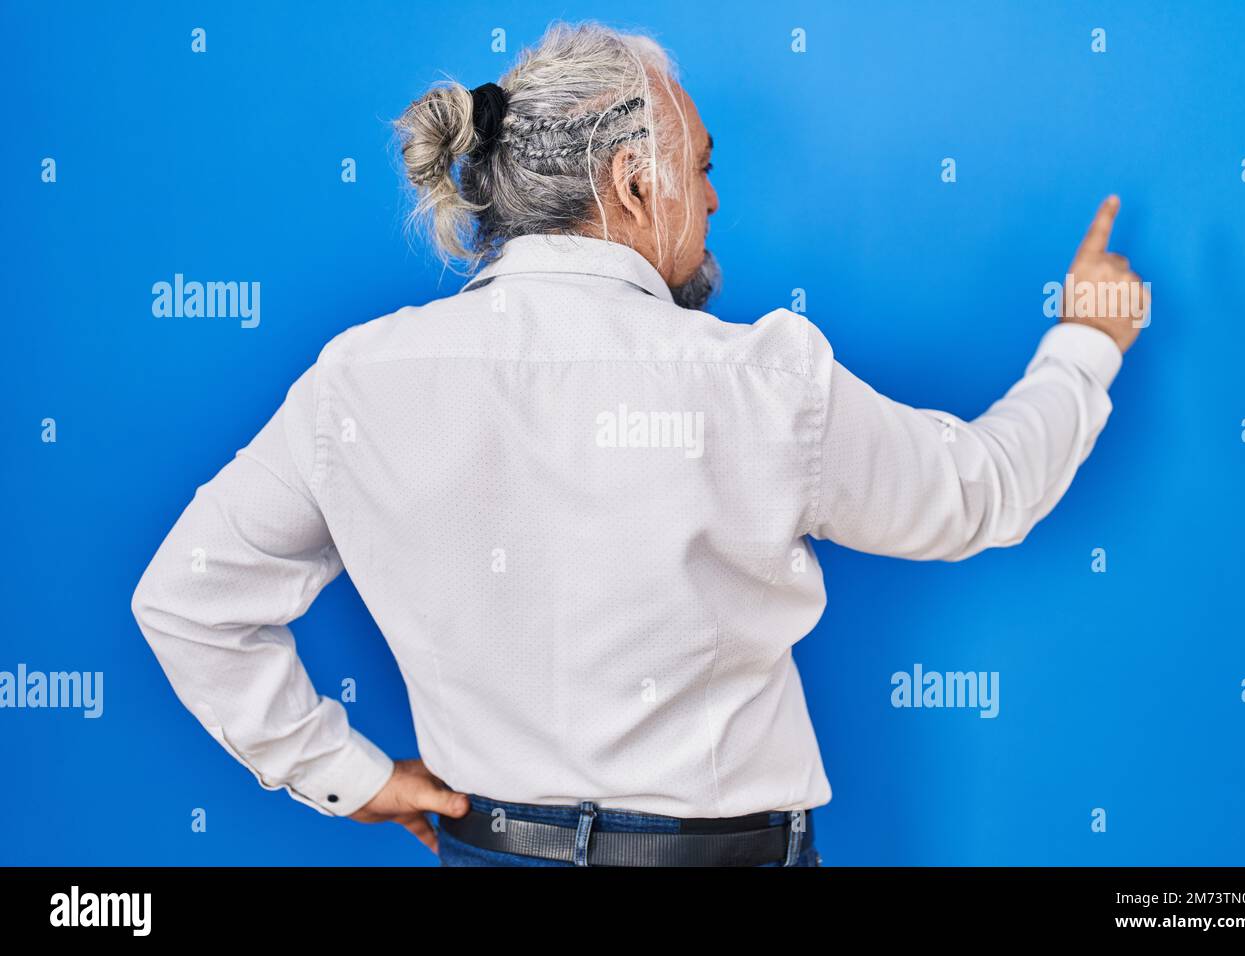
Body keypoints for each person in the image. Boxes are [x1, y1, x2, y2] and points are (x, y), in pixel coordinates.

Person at [130, 20, 1146, 867]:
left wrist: (349, 776)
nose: (709, 202)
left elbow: (187, 597)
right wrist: (1085, 341)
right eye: (699, 170)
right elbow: (977, 492)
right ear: (629, 183)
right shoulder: (758, 376)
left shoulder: (358, 376)